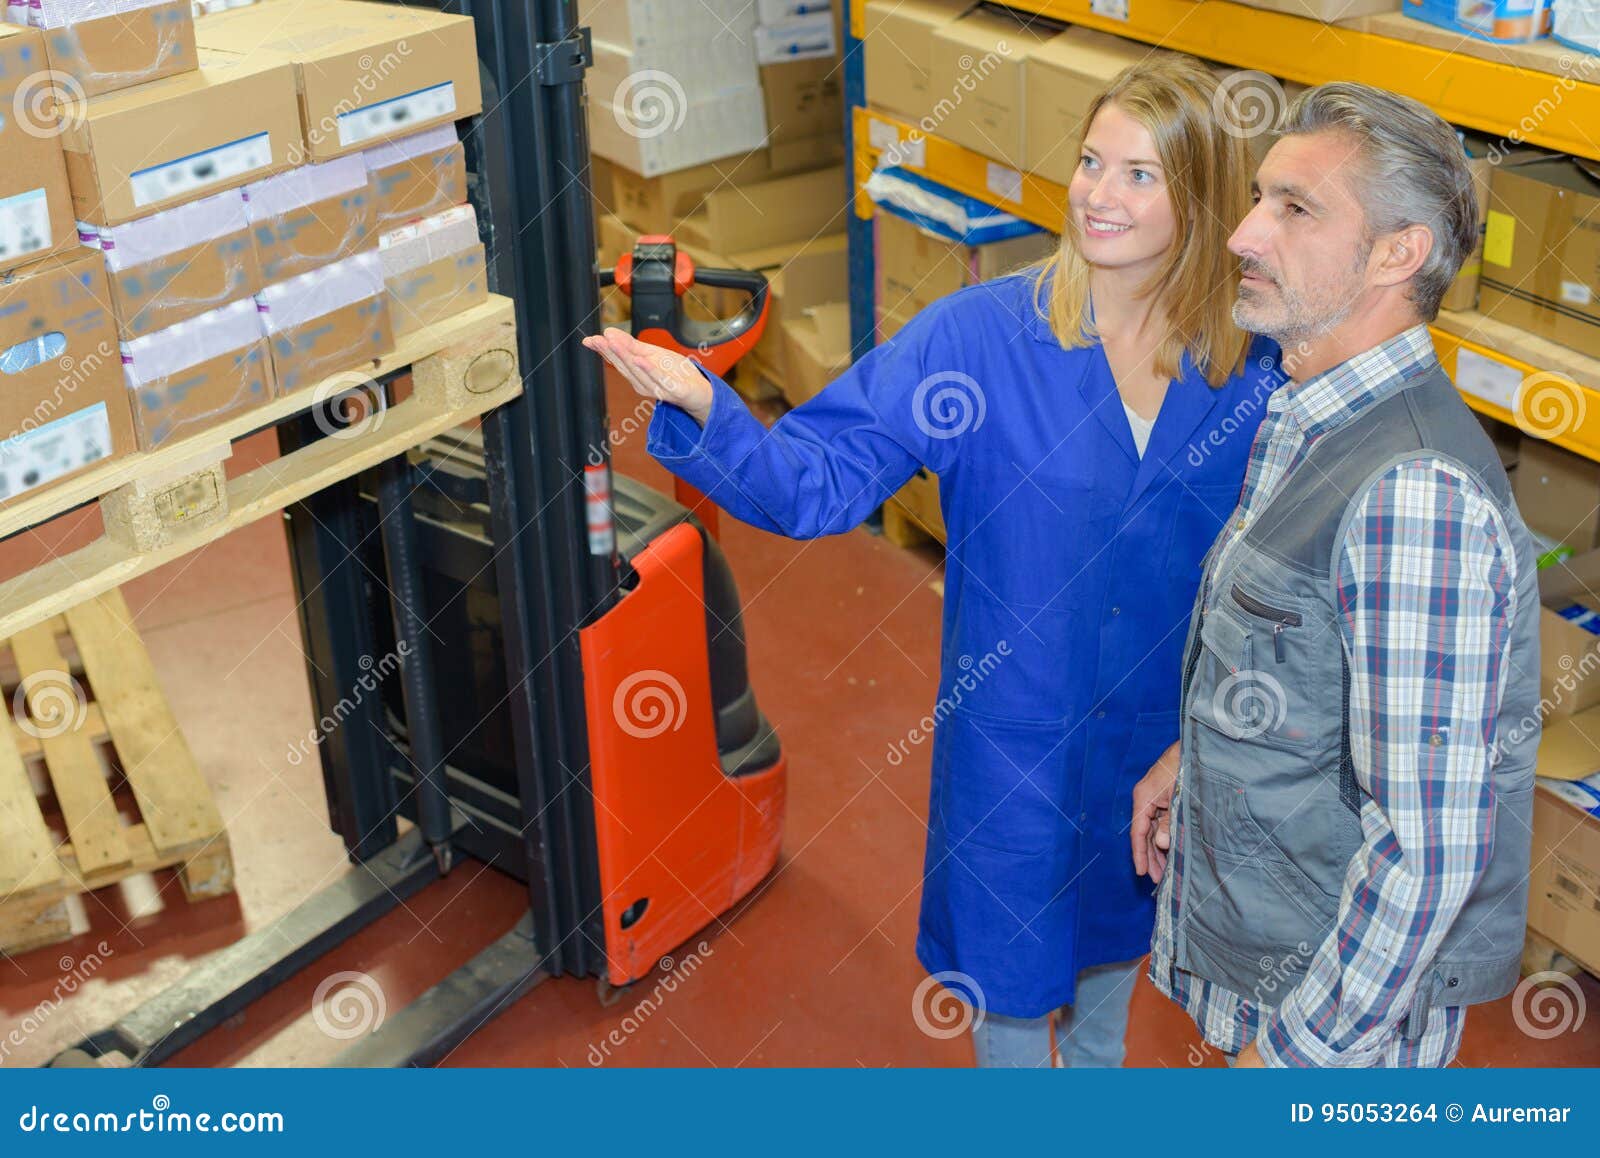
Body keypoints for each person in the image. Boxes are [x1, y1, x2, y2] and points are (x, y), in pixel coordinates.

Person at [586, 55, 1283, 1068]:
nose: (1098, 193)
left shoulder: (1244, 366)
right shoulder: (980, 341)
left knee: (1108, 1005)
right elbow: (812, 482)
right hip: (1017, 752)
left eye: (1139, 174)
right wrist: (706, 408)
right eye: (1091, 161)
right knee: (1007, 1009)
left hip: (1155, 752)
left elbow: (1266, 559)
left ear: (1202, 197)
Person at [1131, 82, 1541, 1067]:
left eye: (1293, 208)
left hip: (1335, 1024)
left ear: (1397, 254)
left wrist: (1291, 1068)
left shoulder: (1411, 493)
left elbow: (1425, 851)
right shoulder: (1303, 410)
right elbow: (1308, 656)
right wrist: (1201, 752)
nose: (1241, 233)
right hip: (1267, 953)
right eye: (1259, 198)